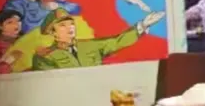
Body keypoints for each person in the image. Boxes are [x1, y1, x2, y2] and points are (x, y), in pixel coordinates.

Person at [30, 8, 164, 70]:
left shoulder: (90, 46)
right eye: (63, 25)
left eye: (71, 24)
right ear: (52, 32)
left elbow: (117, 42)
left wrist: (143, 25)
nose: (70, 27)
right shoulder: (45, 57)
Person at [0, 8, 22, 74]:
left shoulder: (24, 39)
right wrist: (10, 60)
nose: (16, 24)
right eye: (10, 22)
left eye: (18, 21)